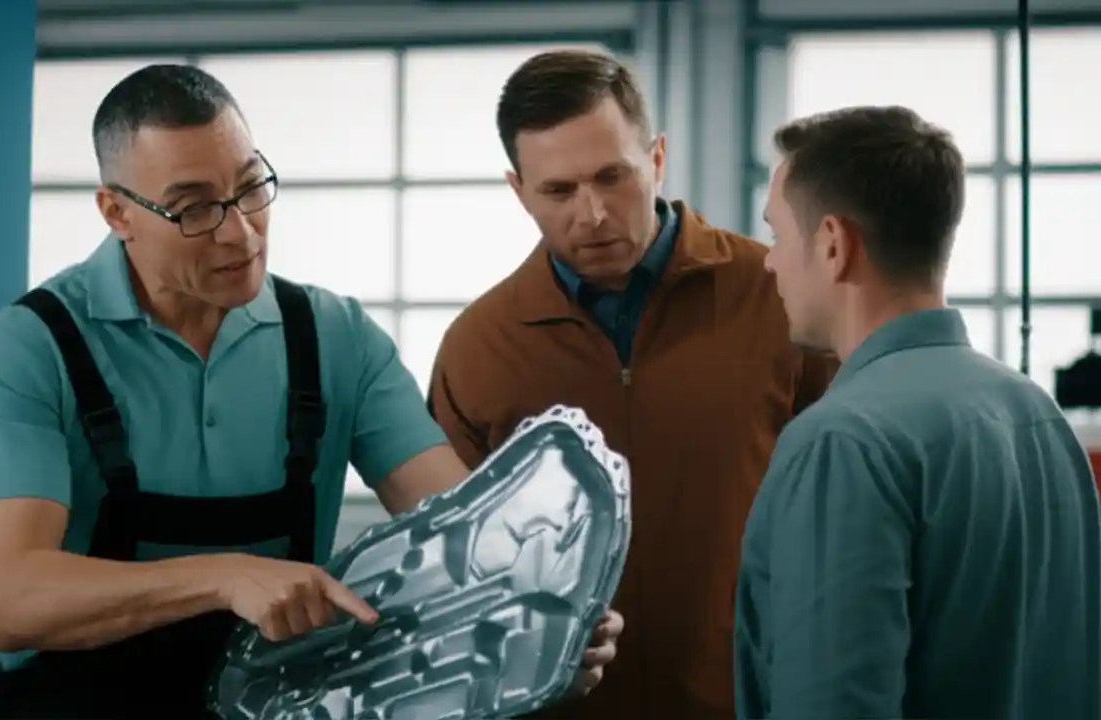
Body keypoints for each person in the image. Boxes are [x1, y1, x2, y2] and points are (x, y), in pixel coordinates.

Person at [0, 63, 621, 719]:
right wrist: (224, 578)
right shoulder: (29, 347)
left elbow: (464, 532)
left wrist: (546, 618)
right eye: (194, 208)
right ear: (117, 213)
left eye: (251, 188)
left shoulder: (338, 339)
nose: (240, 232)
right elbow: (14, 601)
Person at [426, 49, 838, 720]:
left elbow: (843, 513)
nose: (591, 214)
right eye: (558, 191)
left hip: (753, 700)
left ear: (657, 159)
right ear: (518, 189)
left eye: (611, 177)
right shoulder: (479, 346)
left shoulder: (779, 296)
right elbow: (453, 573)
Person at [734, 105, 1101, 719]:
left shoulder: (842, 441)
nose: (768, 261)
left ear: (832, 244)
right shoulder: (1036, 415)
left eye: (776, 234)